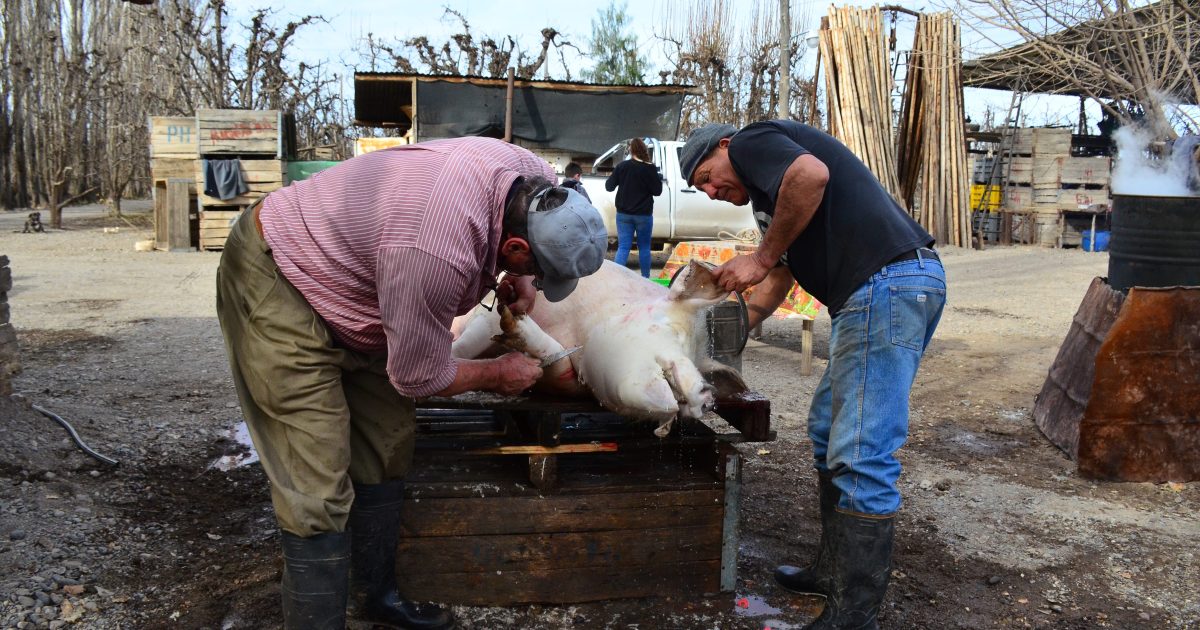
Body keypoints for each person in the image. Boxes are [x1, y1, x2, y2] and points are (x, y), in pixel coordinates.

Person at [215, 137, 608, 630]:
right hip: (284, 277)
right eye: (533, 268)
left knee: (385, 442)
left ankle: (374, 597)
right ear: (515, 245)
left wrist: (524, 280)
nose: (534, 280)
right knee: (314, 480)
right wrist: (494, 375)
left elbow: (413, 360)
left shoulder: (532, 176)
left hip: (370, 280)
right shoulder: (434, 252)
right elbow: (419, 377)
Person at [680, 121, 945, 630]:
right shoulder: (770, 199)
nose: (712, 191)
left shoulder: (757, 142)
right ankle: (835, 571)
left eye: (709, 175)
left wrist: (758, 256)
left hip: (886, 284)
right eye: (702, 189)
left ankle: (854, 615)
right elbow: (778, 275)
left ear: (726, 147)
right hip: (879, 292)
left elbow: (811, 174)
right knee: (828, 431)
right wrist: (729, 335)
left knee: (862, 450)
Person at [605, 137, 663, 278]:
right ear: (644, 150)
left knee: (623, 247)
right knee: (644, 248)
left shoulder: (622, 167)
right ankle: (645, 279)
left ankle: (616, 279)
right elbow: (658, 191)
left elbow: (609, 187)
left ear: (630, 150)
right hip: (643, 215)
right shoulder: (650, 168)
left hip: (624, 215)